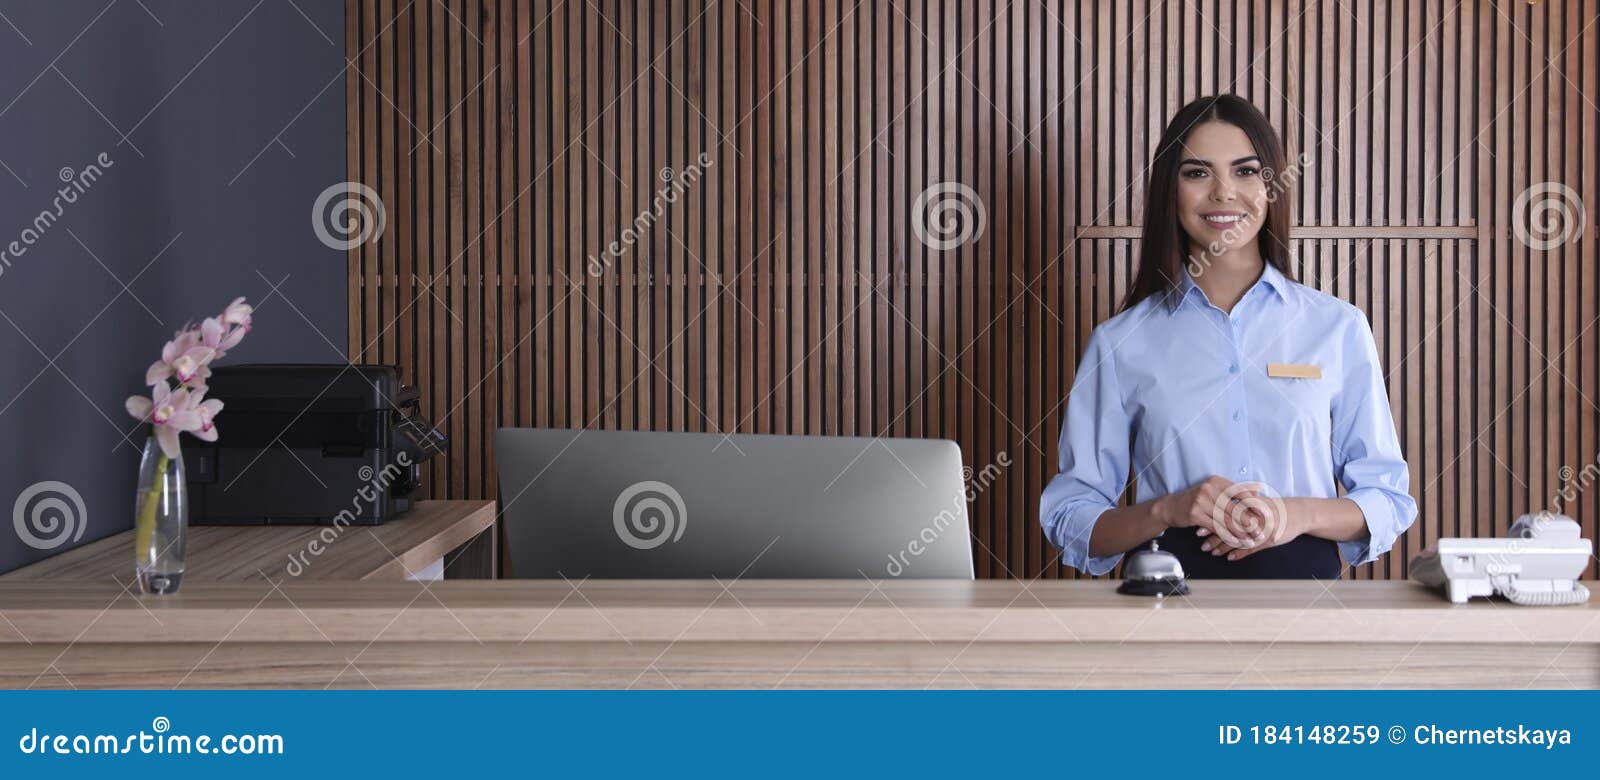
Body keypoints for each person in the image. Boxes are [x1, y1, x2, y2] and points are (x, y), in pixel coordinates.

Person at [1038, 95, 1417, 579]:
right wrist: (1167, 510)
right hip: (1166, 607)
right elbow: (1070, 517)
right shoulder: (1120, 343)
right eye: (1197, 173)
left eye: (1245, 171)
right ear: (1169, 191)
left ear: (1270, 184)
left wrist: (1294, 514)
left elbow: (1386, 497)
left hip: (1308, 608)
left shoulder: (1337, 328)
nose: (1223, 193)